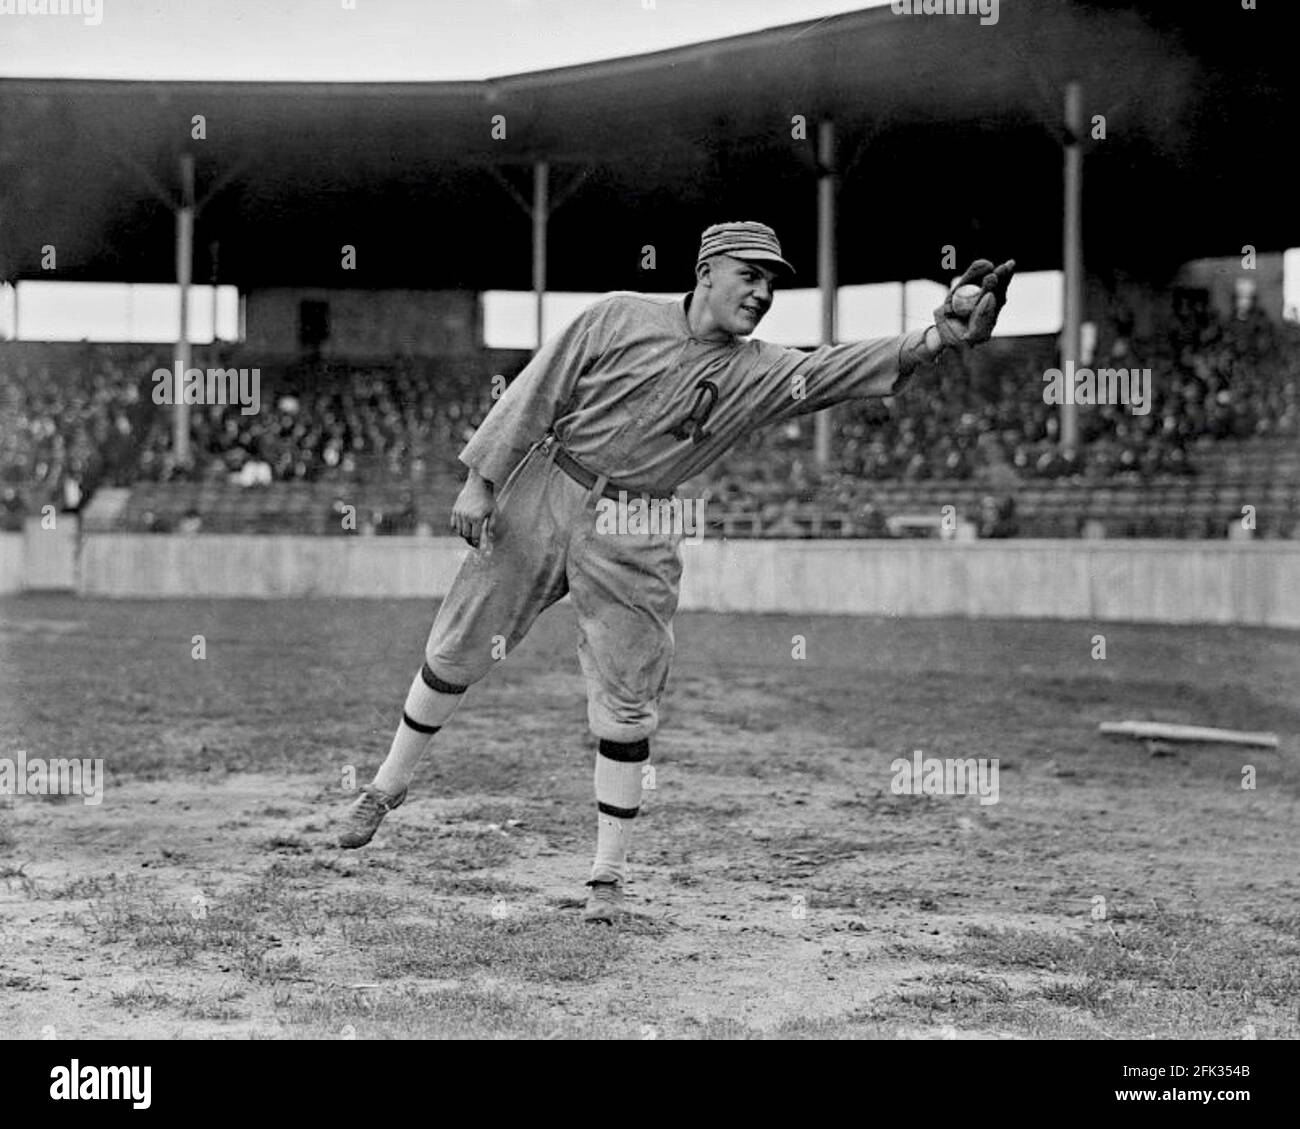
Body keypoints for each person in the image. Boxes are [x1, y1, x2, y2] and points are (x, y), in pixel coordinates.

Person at [335, 221, 1014, 922]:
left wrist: (935, 339)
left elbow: (836, 369)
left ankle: (605, 879)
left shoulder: (760, 368)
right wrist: (482, 477)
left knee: (628, 696)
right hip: (549, 484)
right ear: (706, 271)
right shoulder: (617, 315)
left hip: (640, 522)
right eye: (750, 274)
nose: (763, 292)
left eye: (773, 281)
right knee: (457, 644)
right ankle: (386, 786)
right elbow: (538, 388)